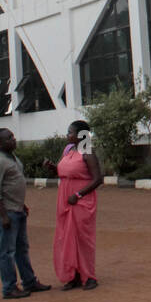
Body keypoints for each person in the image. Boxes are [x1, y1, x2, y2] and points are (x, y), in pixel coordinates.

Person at [0, 127, 50, 299]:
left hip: (17, 210)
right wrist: (4, 216)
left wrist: (22, 205)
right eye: (9, 138)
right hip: (5, 213)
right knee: (7, 252)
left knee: (22, 248)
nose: (13, 140)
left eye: (13, 136)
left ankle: (29, 281)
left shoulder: (12, 157)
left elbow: (13, 184)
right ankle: (9, 288)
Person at [43, 120, 103, 290]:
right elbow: (64, 172)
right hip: (65, 198)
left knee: (82, 238)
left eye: (70, 132)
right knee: (66, 237)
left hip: (81, 199)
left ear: (81, 135)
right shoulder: (68, 150)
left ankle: (89, 276)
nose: (67, 135)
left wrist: (78, 194)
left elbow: (98, 179)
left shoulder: (88, 153)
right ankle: (73, 275)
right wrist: (52, 168)